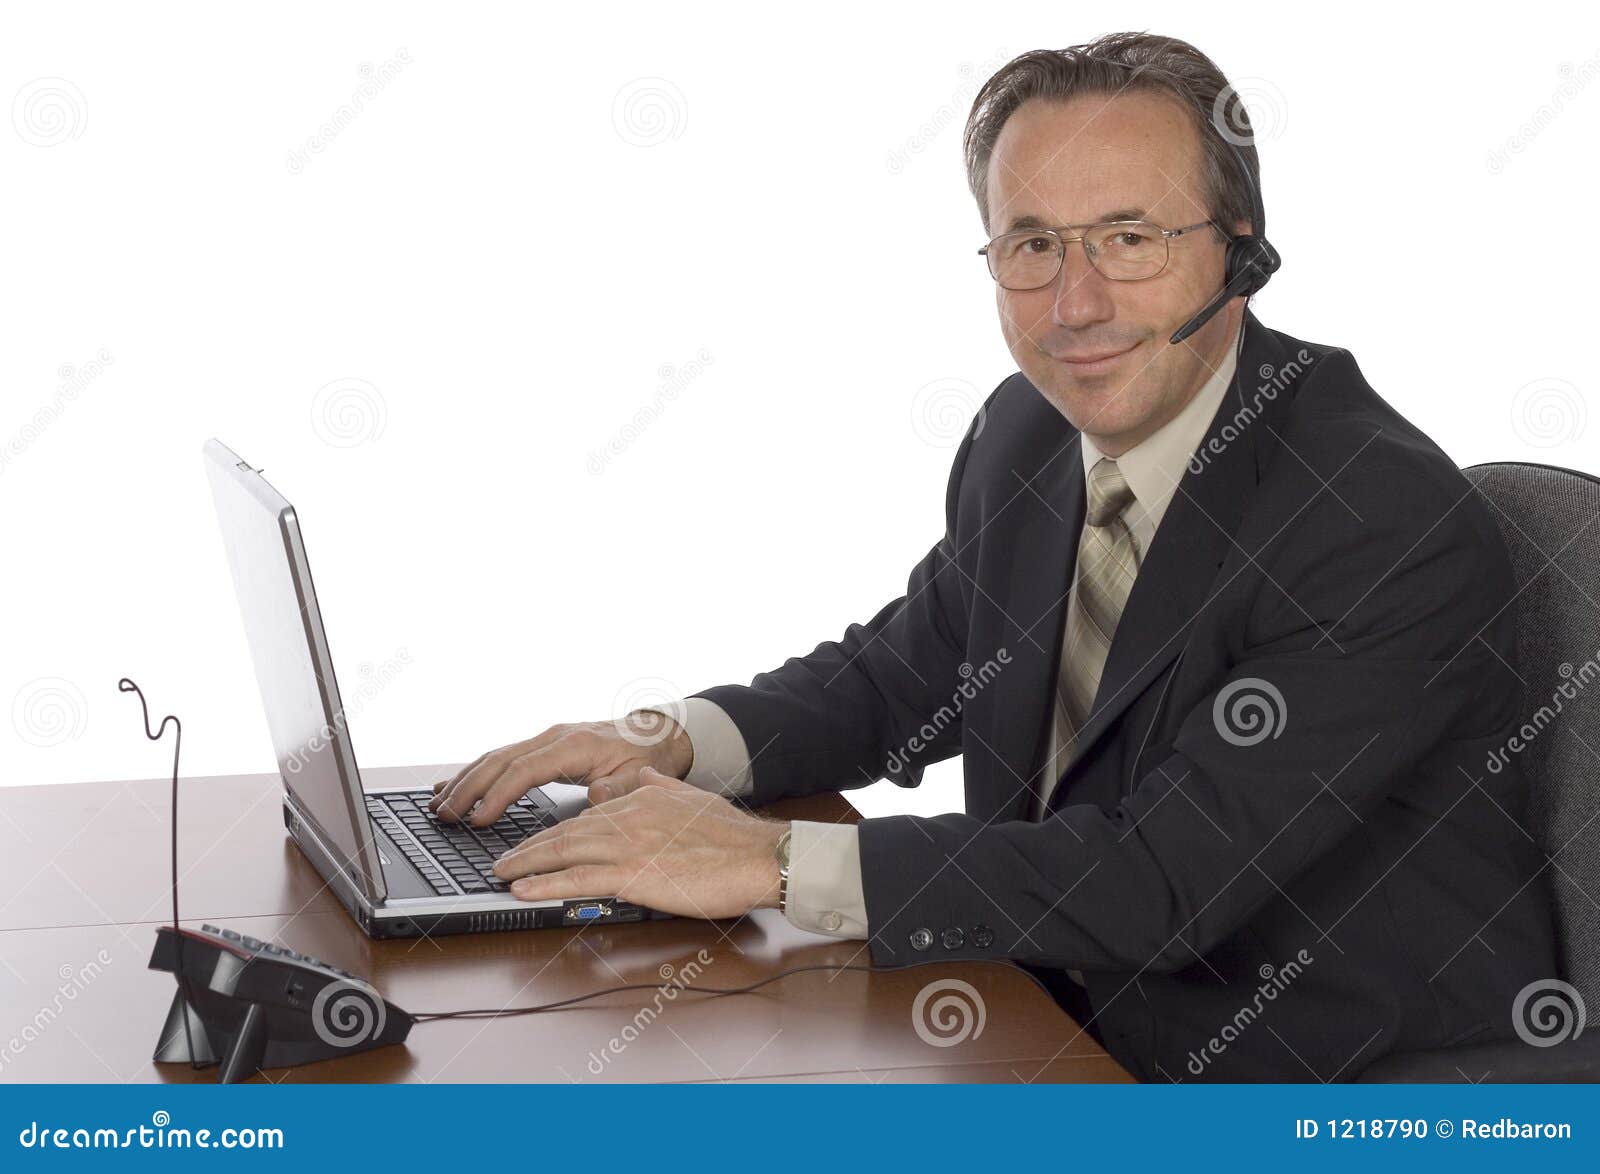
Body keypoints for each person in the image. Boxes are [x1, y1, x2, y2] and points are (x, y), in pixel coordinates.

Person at [430, 32, 1558, 1082]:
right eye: (1032, 246)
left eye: (1128, 238)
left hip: (1324, 1079)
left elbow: (1160, 879)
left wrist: (772, 864)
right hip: (1054, 1008)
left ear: (1244, 251)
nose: (1075, 304)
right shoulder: (1028, 432)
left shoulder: (1368, 515)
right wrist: (669, 741)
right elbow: (902, 675)